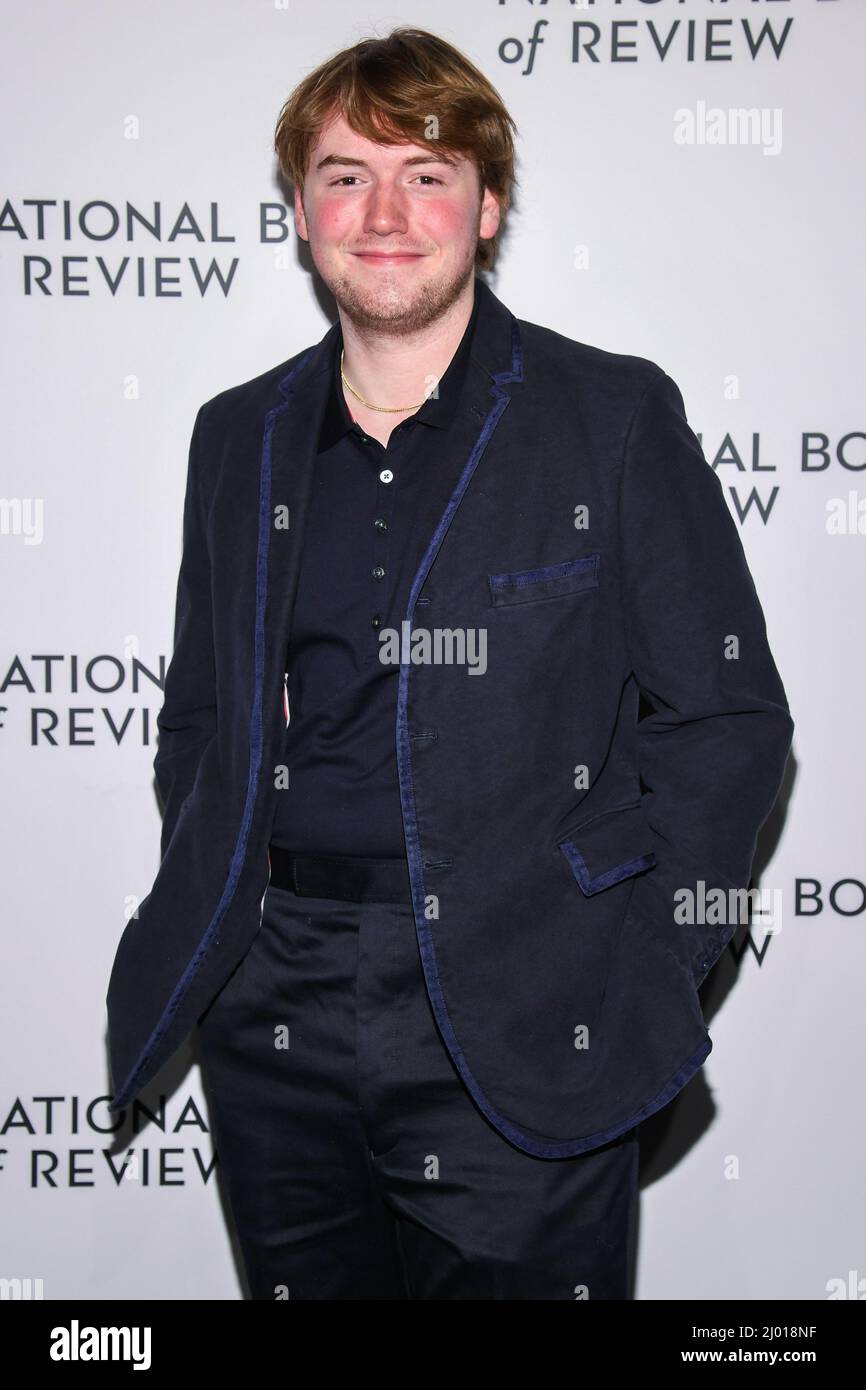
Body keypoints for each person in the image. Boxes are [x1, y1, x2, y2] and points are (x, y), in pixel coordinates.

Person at [106, 26, 794, 1300]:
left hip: (528, 998)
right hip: (278, 1006)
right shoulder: (236, 436)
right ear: (301, 212)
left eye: (425, 173)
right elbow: (201, 716)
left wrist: (635, 957)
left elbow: (727, 717)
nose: (383, 212)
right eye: (343, 174)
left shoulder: (609, 416)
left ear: (486, 208)